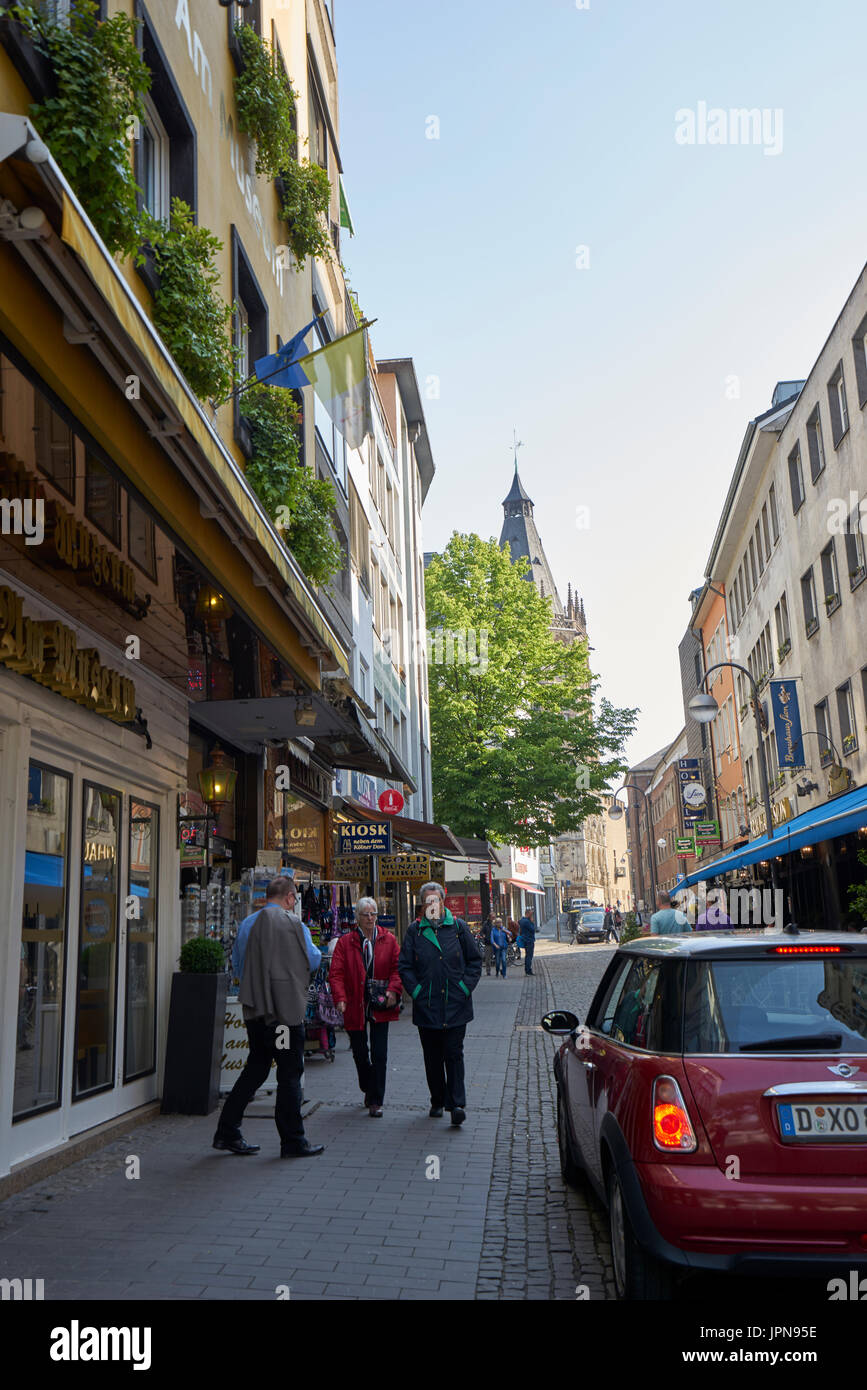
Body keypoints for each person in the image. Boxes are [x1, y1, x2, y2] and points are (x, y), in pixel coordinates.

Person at [213, 876, 324, 1158]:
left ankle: (227, 1131)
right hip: (283, 1014)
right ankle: (292, 1141)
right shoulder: (293, 924)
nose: (295, 903)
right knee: (289, 1073)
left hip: (255, 1010)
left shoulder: (247, 924)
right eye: (295, 898)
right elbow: (312, 960)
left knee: (257, 1067)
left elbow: (237, 965)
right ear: (288, 897)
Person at [398, 881, 482, 1126]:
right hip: (428, 1005)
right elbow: (405, 966)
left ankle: (456, 1103)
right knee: (433, 1057)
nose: (433, 905)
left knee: (454, 1054)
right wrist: (417, 991)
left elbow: (474, 961)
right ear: (423, 905)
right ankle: (437, 1099)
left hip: (456, 1004)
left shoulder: (458, 928)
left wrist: (464, 987)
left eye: (437, 901)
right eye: (428, 902)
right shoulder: (415, 931)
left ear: (443, 902)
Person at [329, 897, 401, 1117]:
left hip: (381, 1003)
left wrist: (393, 991)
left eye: (373, 914)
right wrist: (340, 998)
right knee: (360, 1052)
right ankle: (367, 1084)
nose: (370, 918)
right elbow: (336, 973)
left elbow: (398, 968)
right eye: (365, 915)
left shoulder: (388, 940)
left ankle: (376, 1100)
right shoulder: (346, 942)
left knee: (380, 1054)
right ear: (357, 918)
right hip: (355, 1003)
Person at [517, 907, 536, 975]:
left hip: (525, 939)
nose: (532, 915)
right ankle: (528, 970)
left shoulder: (522, 920)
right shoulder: (527, 922)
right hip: (529, 940)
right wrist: (532, 922)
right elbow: (533, 929)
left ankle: (528, 970)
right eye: (531, 914)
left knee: (527, 955)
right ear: (528, 913)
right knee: (529, 956)